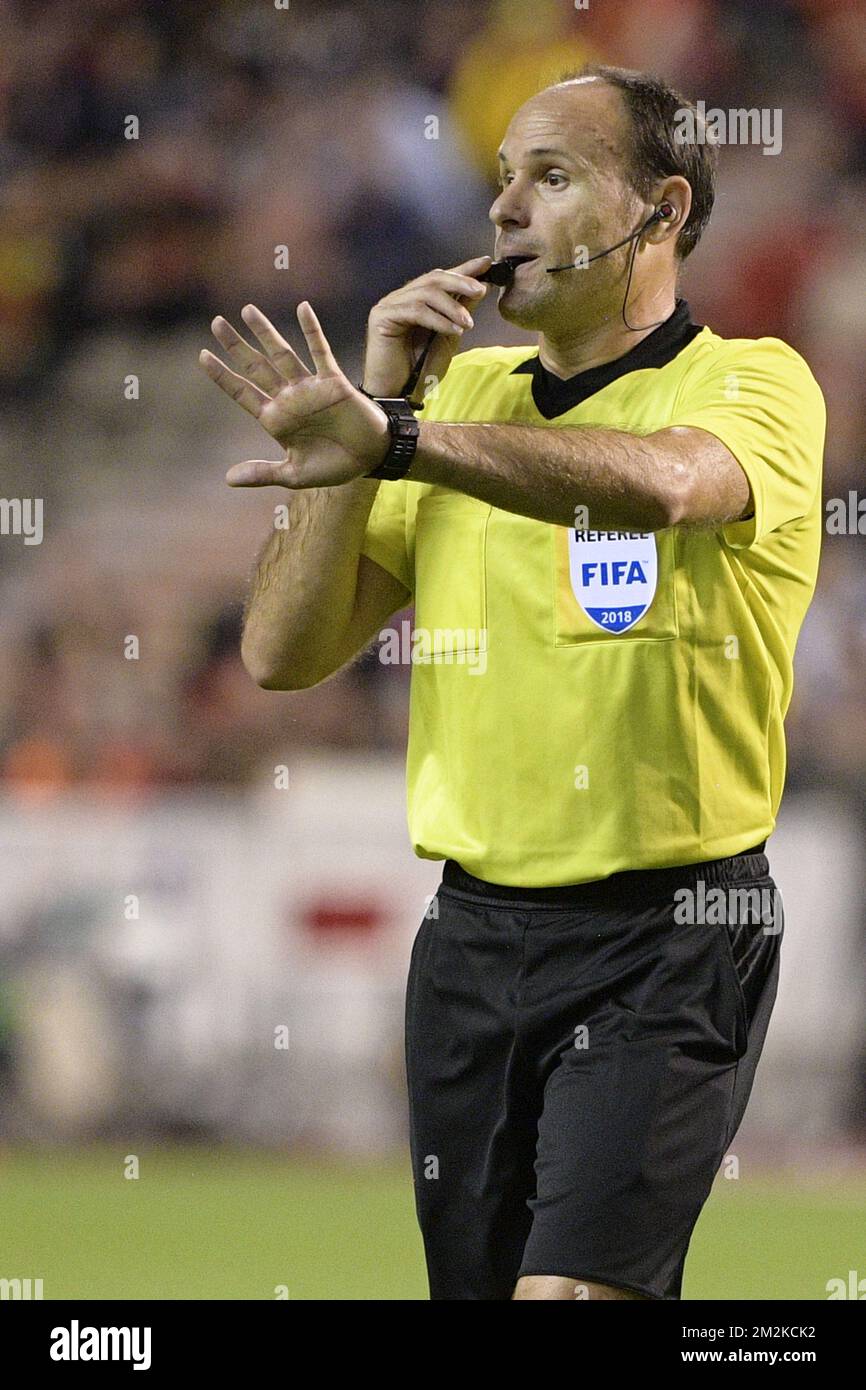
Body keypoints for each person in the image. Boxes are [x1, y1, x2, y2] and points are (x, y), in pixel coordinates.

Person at [198, 65, 826, 1301]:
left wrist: (401, 438)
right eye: (499, 181)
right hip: (472, 944)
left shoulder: (751, 380)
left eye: (550, 177)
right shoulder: (457, 396)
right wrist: (379, 408)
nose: (503, 212)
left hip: (669, 934)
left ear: (659, 209)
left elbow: (671, 486)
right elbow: (280, 653)